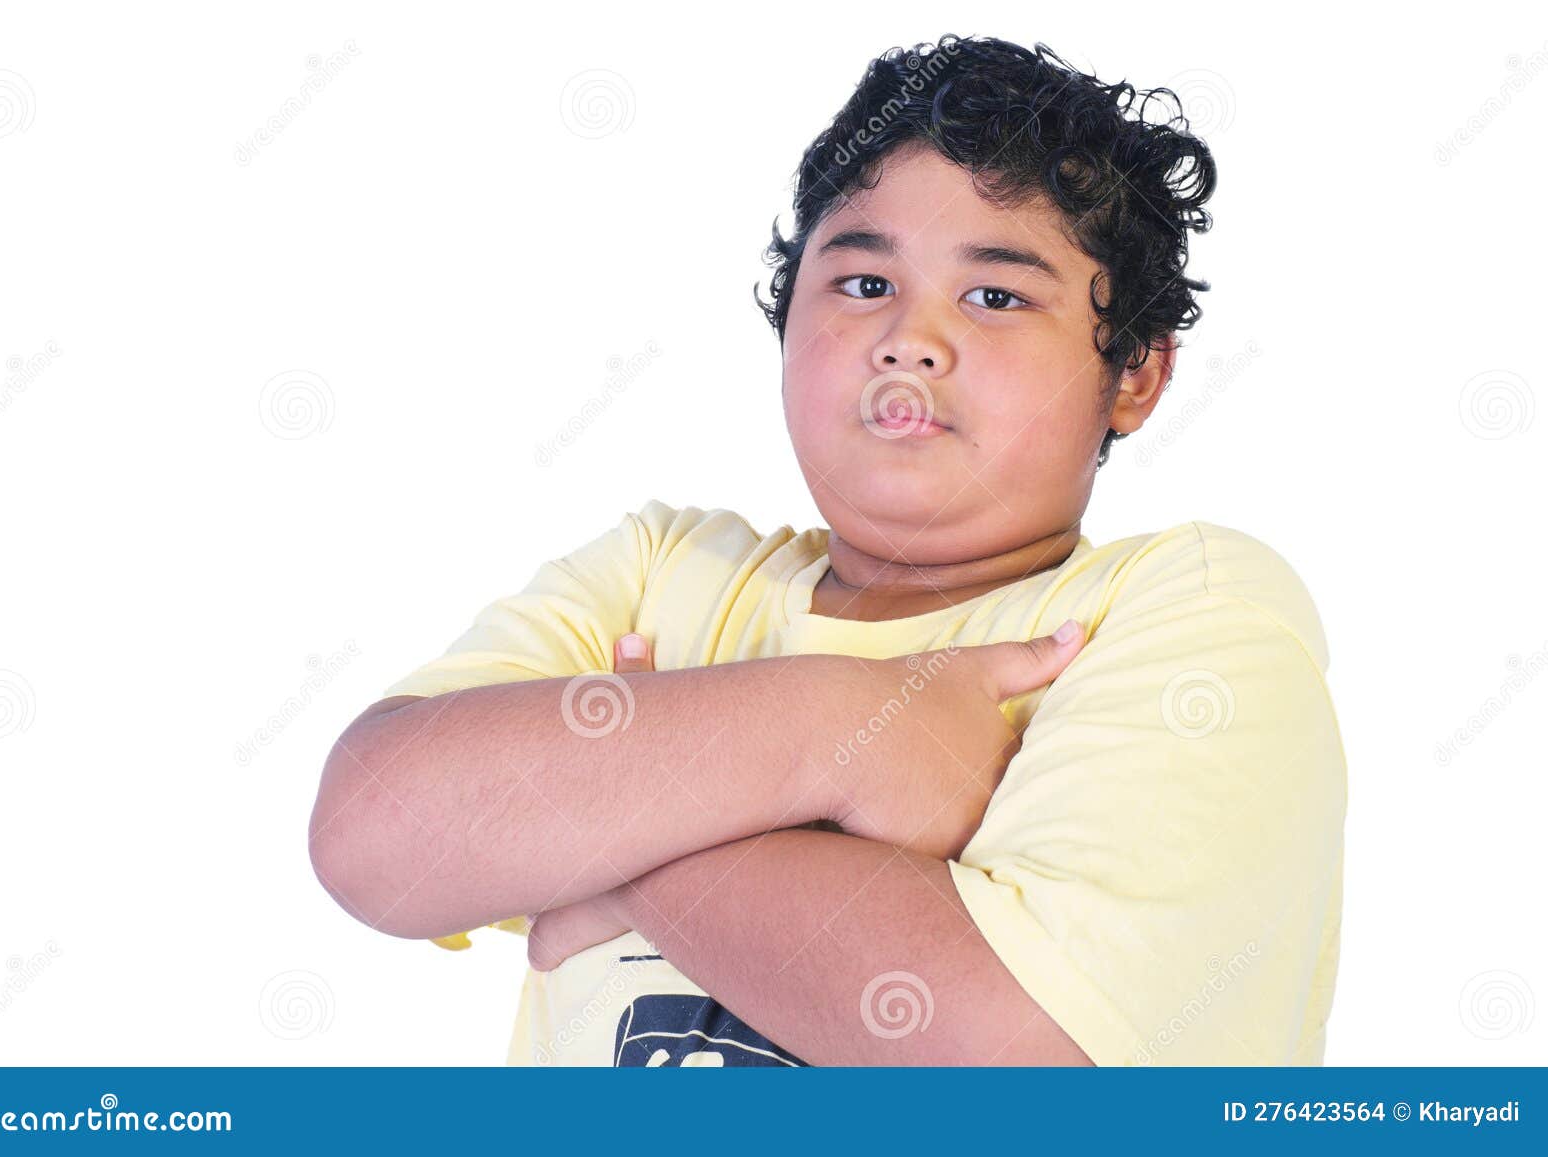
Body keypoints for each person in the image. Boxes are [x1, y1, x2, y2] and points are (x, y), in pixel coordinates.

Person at [308, 35, 1346, 1067]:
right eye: (859, 283)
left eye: (995, 295)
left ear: (1135, 373)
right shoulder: (662, 572)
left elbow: (1026, 1064)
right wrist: (847, 727)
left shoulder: (1188, 608)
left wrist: (629, 849)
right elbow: (377, 836)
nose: (910, 338)